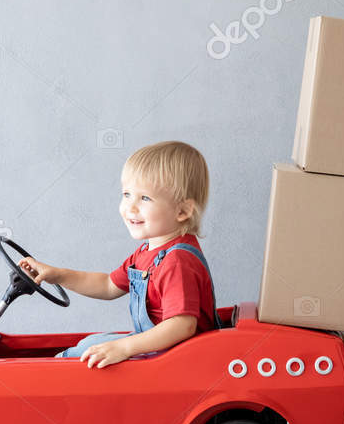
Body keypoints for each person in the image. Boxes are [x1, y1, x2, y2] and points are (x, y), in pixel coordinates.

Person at [19, 140, 216, 367]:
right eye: (127, 194)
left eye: (145, 198)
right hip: (160, 353)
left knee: (84, 356)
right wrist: (58, 275)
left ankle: (47, 380)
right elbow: (107, 285)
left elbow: (182, 325)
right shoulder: (147, 252)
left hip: (175, 362)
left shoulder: (176, 261)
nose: (130, 207)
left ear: (182, 211)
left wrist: (125, 347)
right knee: (89, 344)